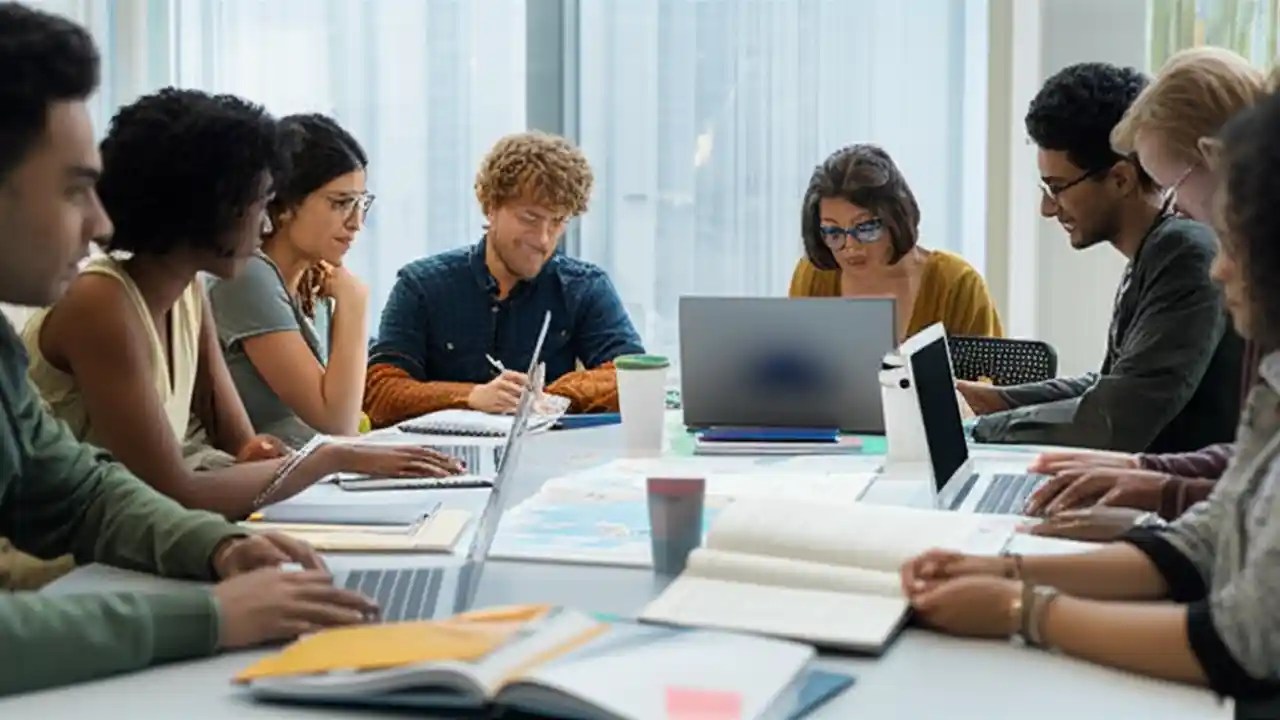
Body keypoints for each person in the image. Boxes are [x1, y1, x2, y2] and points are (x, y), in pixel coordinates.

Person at [0, 2, 373, 695]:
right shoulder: (101, 301)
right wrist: (205, 615)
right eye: (74, 189)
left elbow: (81, 494)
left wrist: (222, 546)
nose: (100, 222)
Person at [899, 90, 1280, 698]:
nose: (1218, 268)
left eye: (1235, 242)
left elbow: (1241, 642)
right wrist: (1004, 570)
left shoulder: (1181, 251)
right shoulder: (1274, 381)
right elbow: (1207, 538)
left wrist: (1023, 608)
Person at [21, 88, 462, 528]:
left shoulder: (187, 291)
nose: (267, 222)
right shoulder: (102, 303)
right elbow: (170, 493)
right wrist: (329, 458)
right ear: (209, 204)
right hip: (64, 560)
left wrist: (268, 457)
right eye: (259, 203)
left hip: (141, 534)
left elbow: (242, 448)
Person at [1021, 49, 1270, 532]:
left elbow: (1120, 416)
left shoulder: (1188, 248)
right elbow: (1253, 467)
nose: (1168, 209)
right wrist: (1149, 475)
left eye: (1167, 188)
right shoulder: (1178, 249)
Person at [958, 62, 1243, 454]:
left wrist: (980, 429)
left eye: (1057, 188)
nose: (1046, 207)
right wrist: (1001, 400)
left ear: (1121, 179)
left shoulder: (1184, 250)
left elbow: (1115, 418)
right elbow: (1113, 382)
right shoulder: (1157, 250)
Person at [363, 131, 645, 427]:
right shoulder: (421, 286)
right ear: (491, 206)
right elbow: (381, 394)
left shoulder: (583, 286)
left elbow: (636, 377)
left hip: (547, 457)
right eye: (530, 218)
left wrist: (547, 397)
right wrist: (472, 396)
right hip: (439, 461)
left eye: (558, 221)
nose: (544, 239)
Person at [207, 113, 374, 447]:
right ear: (284, 206)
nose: (356, 222)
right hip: (263, 484)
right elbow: (336, 422)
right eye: (340, 203)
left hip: (311, 475)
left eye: (361, 203)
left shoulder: (316, 281)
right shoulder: (248, 276)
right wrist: (355, 304)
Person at [788, 143, 1002, 341]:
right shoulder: (814, 276)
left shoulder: (957, 284)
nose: (850, 246)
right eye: (833, 232)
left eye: (866, 228)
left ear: (896, 218)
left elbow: (989, 379)